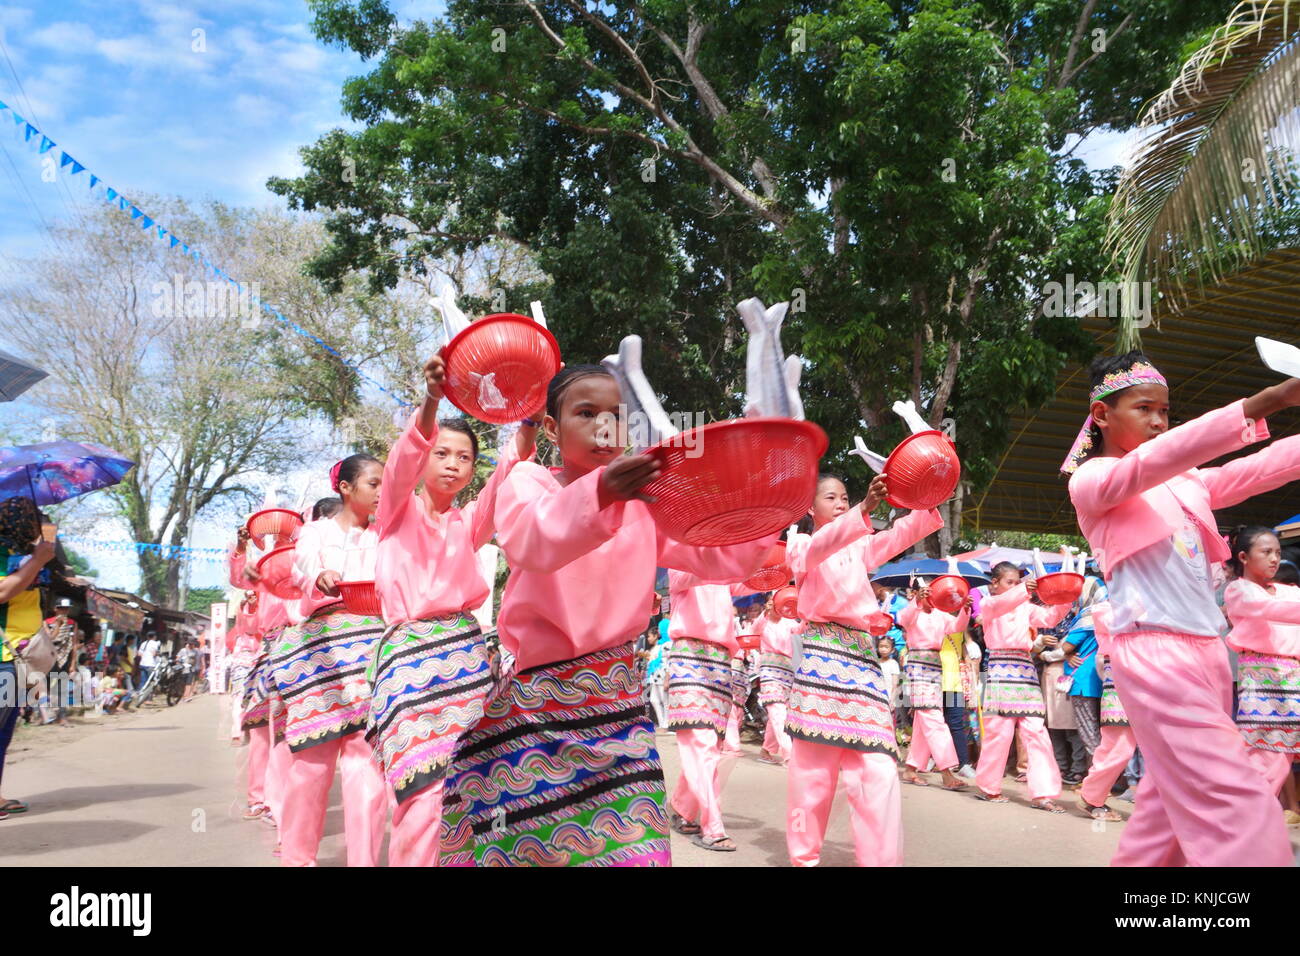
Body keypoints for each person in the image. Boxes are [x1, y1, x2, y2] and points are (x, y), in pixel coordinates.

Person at [445, 364, 774, 866]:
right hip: (540, 709)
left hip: (619, 707)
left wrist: (766, 496)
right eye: (586, 413)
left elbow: (722, 555)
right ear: (551, 428)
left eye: (618, 417)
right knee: (532, 850)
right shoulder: (529, 481)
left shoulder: (650, 504)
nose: (605, 427)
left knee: (636, 852)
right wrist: (603, 492)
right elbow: (534, 541)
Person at [1065, 350, 1300, 866]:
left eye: (1165, 412)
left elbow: (1258, 467)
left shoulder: (1185, 481)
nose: (1157, 421)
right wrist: (1270, 399)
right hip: (1154, 655)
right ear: (1101, 415)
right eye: (1144, 408)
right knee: (1238, 799)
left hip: (1208, 655)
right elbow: (1154, 460)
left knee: (1163, 810)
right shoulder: (1091, 481)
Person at [367, 352, 536, 867]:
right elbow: (400, 463)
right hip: (409, 660)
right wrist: (433, 400)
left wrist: (530, 412)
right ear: (424, 459)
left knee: (467, 785)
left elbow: (508, 474)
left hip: (465, 659)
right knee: (419, 788)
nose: (453, 464)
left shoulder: (468, 521)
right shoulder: (395, 509)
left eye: (464, 457)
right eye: (442, 453)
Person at [783, 472, 945, 867]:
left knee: (878, 768)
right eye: (830, 497)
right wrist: (864, 510)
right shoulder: (801, 542)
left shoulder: (860, 544)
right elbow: (812, 553)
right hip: (821, 654)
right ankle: (804, 858)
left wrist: (929, 491)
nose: (840, 503)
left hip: (862, 658)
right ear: (809, 507)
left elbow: (902, 533)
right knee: (814, 774)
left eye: (845, 497)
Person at [270, 453, 390, 867]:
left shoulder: (386, 534)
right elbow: (303, 567)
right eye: (374, 483)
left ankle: (364, 862)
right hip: (322, 654)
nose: (381, 491)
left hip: (373, 648)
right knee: (313, 763)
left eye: (385, 484)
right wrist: (320, 575)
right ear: (346, 487)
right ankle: (297, 858)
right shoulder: (316, 532)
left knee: (366, 762)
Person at [663, 570, 760, 852]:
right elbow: (686, 577)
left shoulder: (722, 568)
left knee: (709, 746)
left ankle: (682, 808)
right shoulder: (682, 558)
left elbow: (746, 580)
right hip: (690, 656)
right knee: (702, 744)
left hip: (720, 661)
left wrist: (777, 568)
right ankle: (713, 828)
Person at [973, 562, 1070, 811]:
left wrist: (1066, 597)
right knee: (999, 733)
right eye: (1010, 582)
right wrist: (1023, 590)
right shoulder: (988, 604)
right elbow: (1000, 605)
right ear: (994, 583)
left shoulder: (1025, 606)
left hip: (1025, 670)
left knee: (1037, 731)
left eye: (1018, 582)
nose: (1015, 586)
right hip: (999, 668)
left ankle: (1043, 793)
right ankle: (988, 787)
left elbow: (1049, 616)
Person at [1222, 526, 1300, 822]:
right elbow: (1266, 609)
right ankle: (1242, 819)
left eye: (1278, 553)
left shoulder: (1289, 591)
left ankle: (1246, 820)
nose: (1274, 559)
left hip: (1293, 676)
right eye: (1266, 552)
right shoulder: (1239, 590)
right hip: (1261, 675)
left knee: (1281, 755)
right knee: (1264, 750)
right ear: (1243, 557)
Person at [0, 497, 57, 819]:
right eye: (30, 516)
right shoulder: (5, 550)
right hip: (3, 654)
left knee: (4, 733)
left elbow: (50, 539)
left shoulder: (19, 549)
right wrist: (35, 560)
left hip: (18, 655)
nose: (36, 521)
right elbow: (3, 592)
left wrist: (45, 542)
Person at [898, 584, 969, 790]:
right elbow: (903, 620)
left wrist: (965, 609)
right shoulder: (912, 611)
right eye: (925, 591)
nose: (929, 595)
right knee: (933, 717)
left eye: (931, 591)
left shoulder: (941, 614)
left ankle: (911, 768)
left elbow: (957, 628)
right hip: (918, 666)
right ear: (916, 593)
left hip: (936, 667)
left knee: (925, 719)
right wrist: (917, 601)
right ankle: (946, 771)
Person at [755, 596, 799, 765]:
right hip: (769, 670)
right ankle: (789, 755)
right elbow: (753, 629)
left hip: (788, 672)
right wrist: (764, 612)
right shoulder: (763, 621)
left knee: (781, 713)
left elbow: (802, 628)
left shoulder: (789, 622)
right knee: (777, 711)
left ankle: (767, 749)